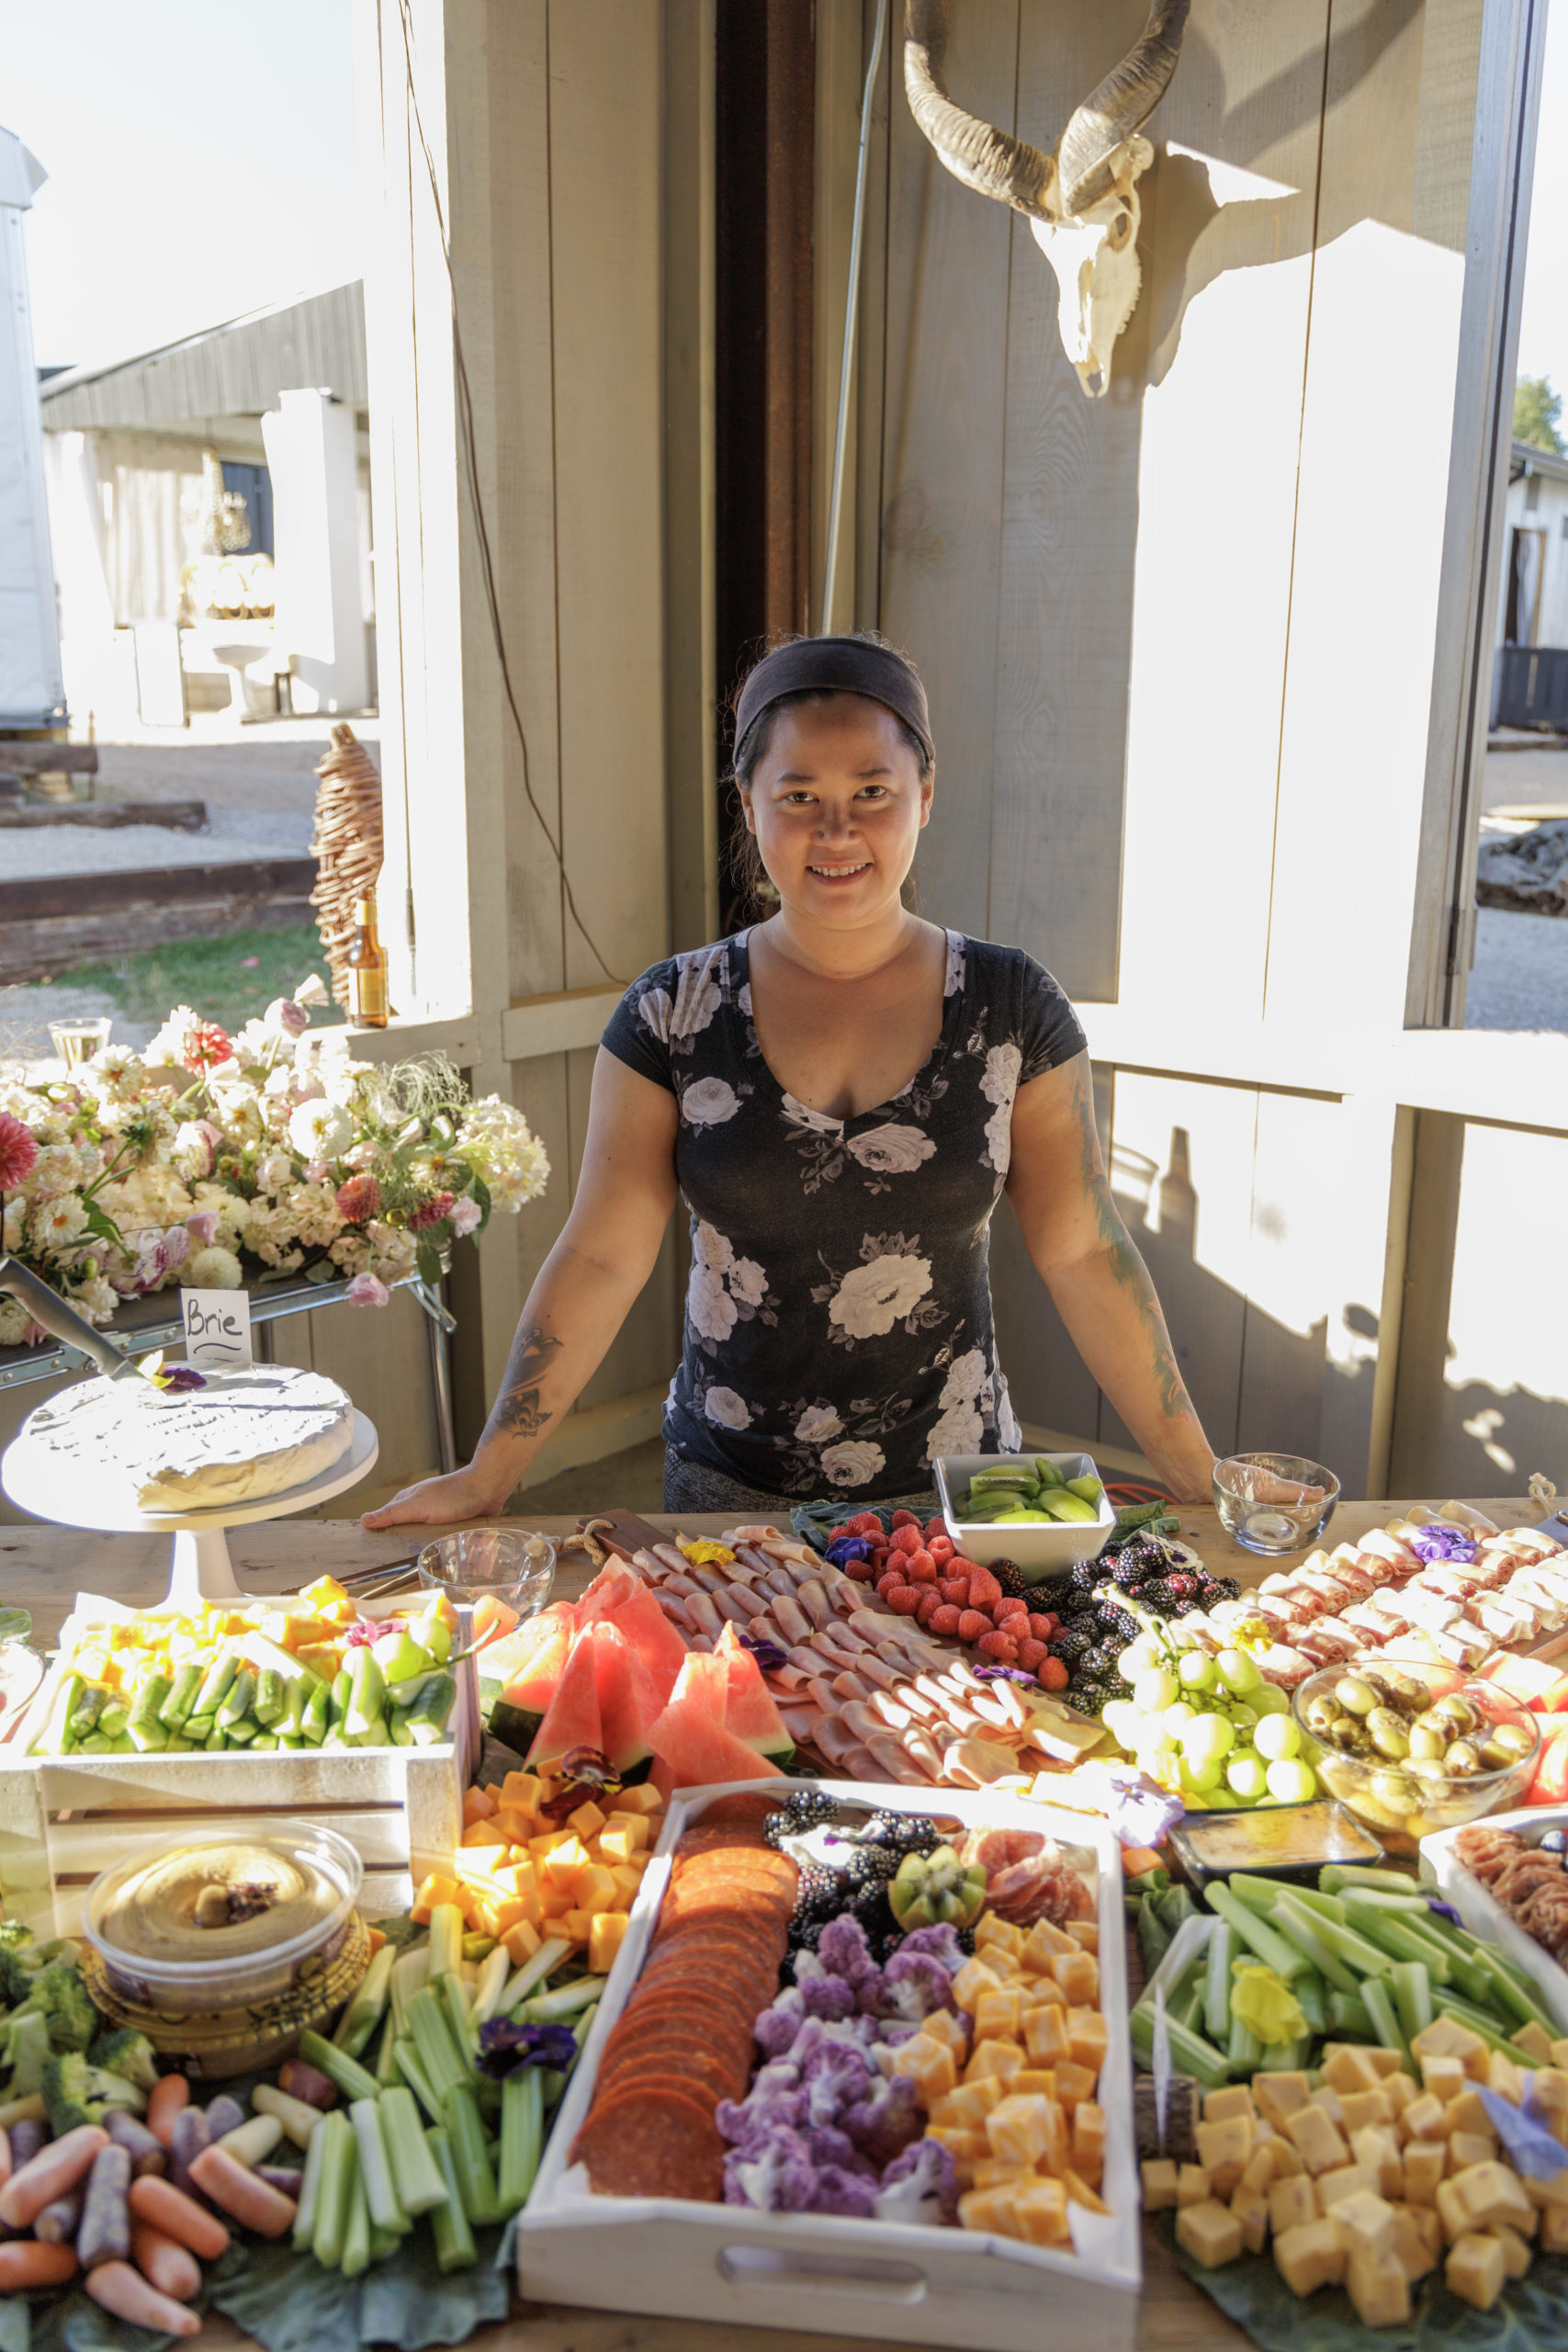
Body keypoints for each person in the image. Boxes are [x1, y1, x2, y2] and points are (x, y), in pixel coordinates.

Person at [364, 632, 1216, 1531]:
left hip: (961, 1495)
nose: (837, 829)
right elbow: (602, 1254)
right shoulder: (670, 1011)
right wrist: (488, 1474)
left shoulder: (1014, 1006)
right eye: (799, 795)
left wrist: (1199, 1473)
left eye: (873, 792)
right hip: (731, 1495)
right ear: (749, 805)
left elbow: (1083, 1250)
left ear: (926, 796)